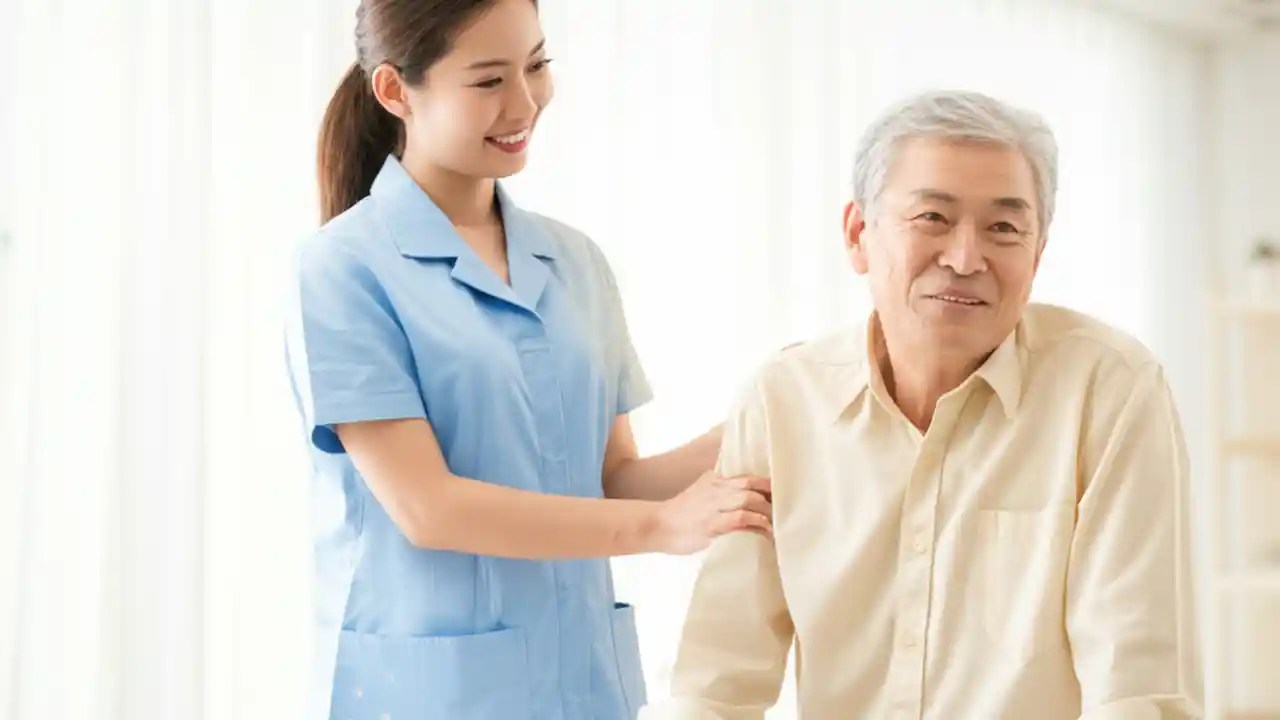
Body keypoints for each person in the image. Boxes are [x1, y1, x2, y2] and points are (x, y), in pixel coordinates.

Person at [642, 90, 1203, 719]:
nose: (966, 258)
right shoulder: (783, 402)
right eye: (933, 218)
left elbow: (1135, 682)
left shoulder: (1109, 389)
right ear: (859, 235)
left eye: (1004, 228)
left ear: (1038, 253)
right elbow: (716, 678)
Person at [283, 1, 772, 718]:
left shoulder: (574, 262)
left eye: (537, 65)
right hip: (433, 694)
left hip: (583, 685)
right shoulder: (343, 268)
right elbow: (428, 508)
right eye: (487, 81)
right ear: (395, 92)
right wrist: (665, 527)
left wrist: (766, 415)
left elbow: (610, 479)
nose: (525, 102)